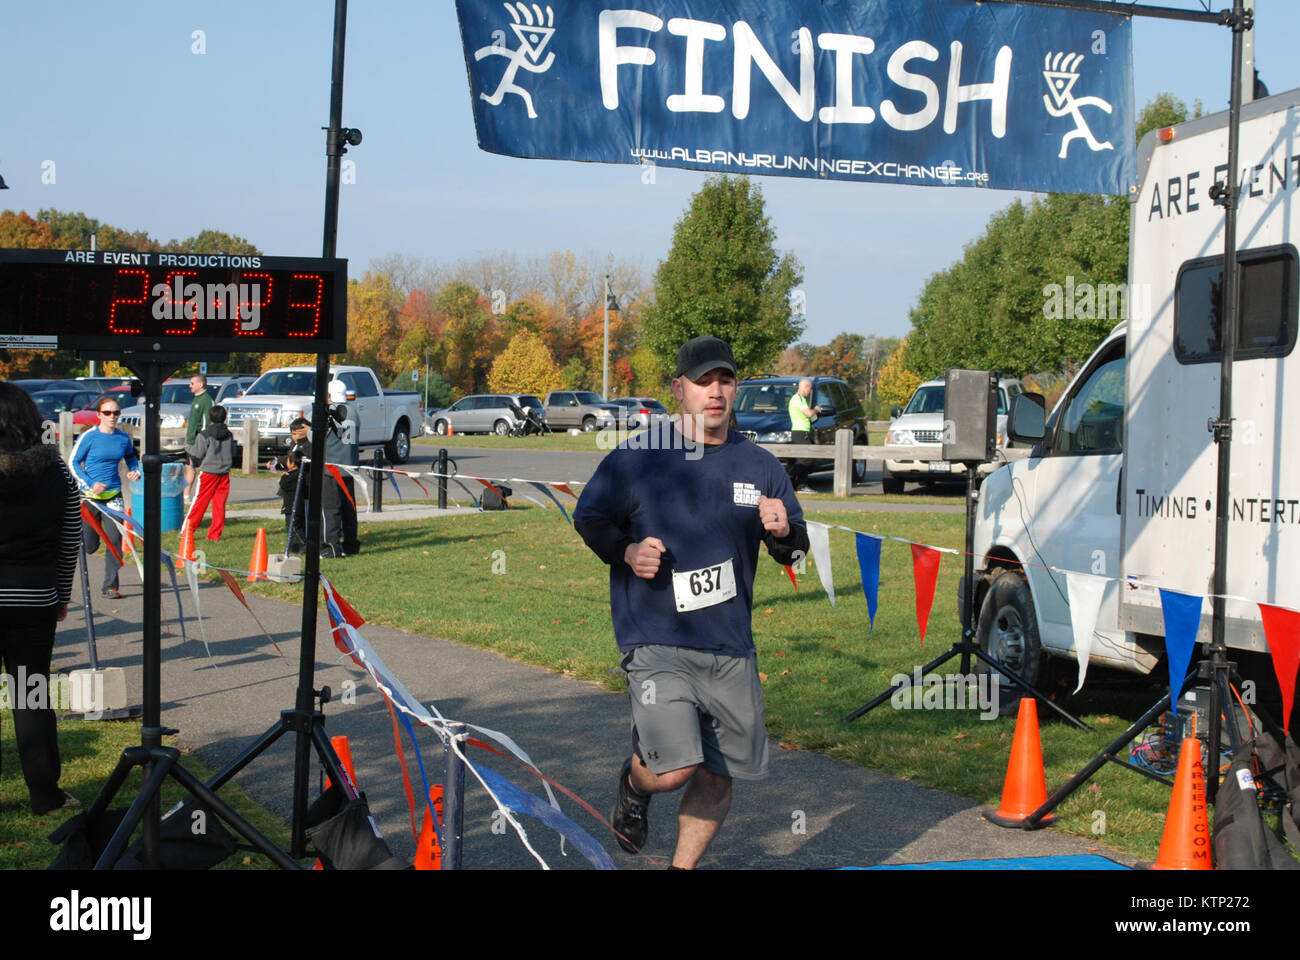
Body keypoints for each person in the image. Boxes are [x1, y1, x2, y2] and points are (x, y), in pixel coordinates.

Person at [573, 335, 809, 869]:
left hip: (729, 643)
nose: (716, 391)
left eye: (725, 380)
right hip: (656, 636)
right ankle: (636, 782)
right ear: (680, 388)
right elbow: (589, 516)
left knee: (720, 773)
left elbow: (794, 547)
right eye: (704, 382)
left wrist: (783, 534)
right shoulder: (638, 458)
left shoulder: (760, 466)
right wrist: (626, 550)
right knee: (675, 769)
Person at [0, 383, 83, 814]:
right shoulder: (56, 472)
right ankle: (45, 795)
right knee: (31, 694)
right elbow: (71, 538)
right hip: (35, 597)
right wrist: (61, 596)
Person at [69, 395, 141, 599]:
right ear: (99, 415)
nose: (112, 416)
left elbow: (131, 456)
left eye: (116, 413)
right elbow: (73, 462)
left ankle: (110, 586)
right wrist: (90, 483)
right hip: (90, 497)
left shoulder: (122, 438)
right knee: (90, 546)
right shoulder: (89, 437)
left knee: (115, 540)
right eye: (108, 413)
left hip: (113, 496)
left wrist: (135, 471)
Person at [321, 380, 360, 558]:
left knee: (330, 509)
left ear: (329, 395)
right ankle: (351, 545)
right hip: (349, 466)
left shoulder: (330, 412)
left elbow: (316, 437)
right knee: (349, 510)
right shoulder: (353, 411)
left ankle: (331, 547)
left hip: (332, 468)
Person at [183, 404, 233, 542]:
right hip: (224, 473)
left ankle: (188, 530)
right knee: (219, 505)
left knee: (200, 502)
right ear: (224, 417)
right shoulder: (229, 434)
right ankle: (215, 534)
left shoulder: (205, 434)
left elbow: (198, 453)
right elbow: (232, 452)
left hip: (209, 472)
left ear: (210, 417)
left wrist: (188, 448)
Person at [278, 417, 311, 554]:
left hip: (302, 487)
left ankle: (303, 546)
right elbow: (288, 459)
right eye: (292, 433)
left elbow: (299, 460)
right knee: (292, 521)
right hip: (291, 490)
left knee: (296, 521)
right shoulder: (295, 445)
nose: (294, 437)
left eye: (296, 433)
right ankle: (294, 545)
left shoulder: (308, 445)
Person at [786, 377, 821, 491]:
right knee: (806, 459)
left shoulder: (799, 399)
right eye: (809, 389)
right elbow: (809, 413)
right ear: (805, 387)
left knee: (801, 459)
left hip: (802, 432)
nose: (809, 392)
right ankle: (796, 482)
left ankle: (795, 483)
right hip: (800, 433)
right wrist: (816, 409)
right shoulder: (798, 399)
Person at [184, 373, 214, 504]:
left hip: (199, 442)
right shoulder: (196, 399)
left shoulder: (206, 400)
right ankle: (186, 496)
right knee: (189, 467)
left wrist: (202, 442)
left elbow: (207, 423)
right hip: (190, 441)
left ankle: (199, 496)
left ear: (200, 385)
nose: (190, 386)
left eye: (192, 383)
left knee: (200, 469)